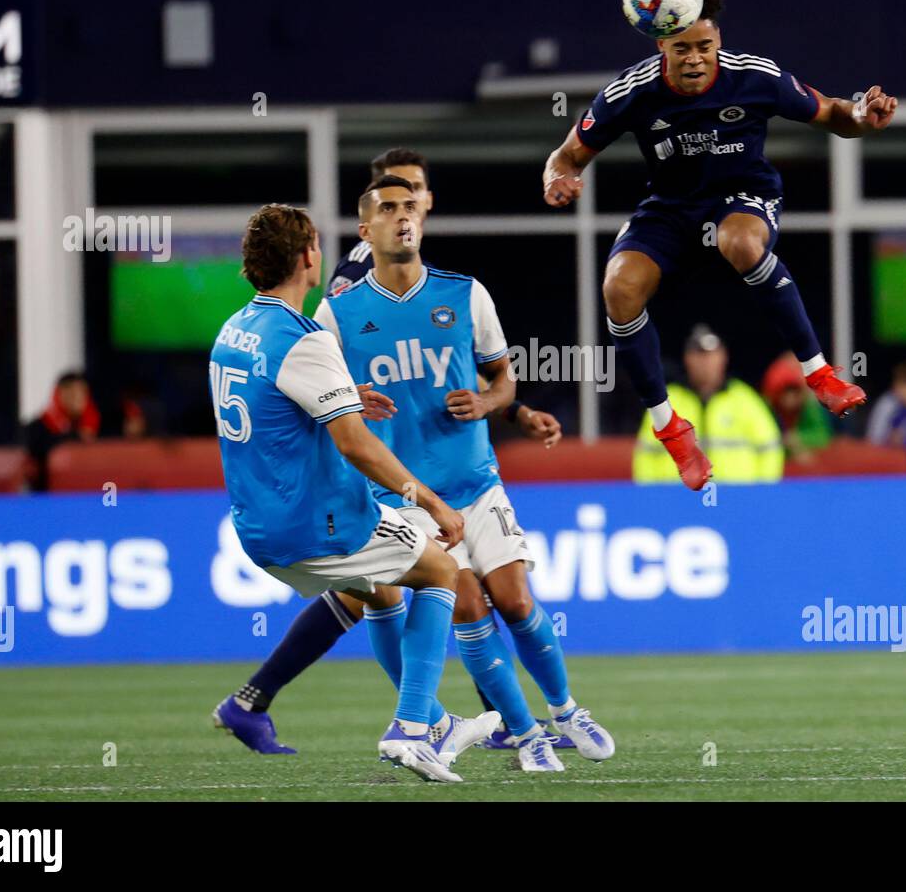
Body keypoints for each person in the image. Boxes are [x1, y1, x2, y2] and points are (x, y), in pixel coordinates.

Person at [543, 0, 897, 490]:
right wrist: (556, 178)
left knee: (742, 244)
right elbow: (567, 155)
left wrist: (863, 114)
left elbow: (834, 115)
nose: (694, 59)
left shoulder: (755, 76)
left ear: (718, 42)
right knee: (618, 288)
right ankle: (671, 430)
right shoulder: (631, 92)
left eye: (704, 47)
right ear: (661, 46)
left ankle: (820, 374)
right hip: (670, 210)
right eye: (682, 48)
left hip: (743, 196)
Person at [314, 175, 614, 771]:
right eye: (388, 210)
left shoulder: (466, 293)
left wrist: (488, 402)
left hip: (475, 483)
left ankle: (566, 709)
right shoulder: (336, 314)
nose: (403, 217)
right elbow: (318, 400)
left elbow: (504, 378)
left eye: (410, 207)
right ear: (365, 229)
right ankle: (526, 735)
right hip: (400, 497)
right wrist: (350, 393)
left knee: (517, 599)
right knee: (467, 603)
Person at [209, 202, 496, 783]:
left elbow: (273, 405)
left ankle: (436, 724)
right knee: (441, 570)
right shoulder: (304, 338)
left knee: (383, 595)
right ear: (309, 256)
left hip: (256, 529)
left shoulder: (235, 329)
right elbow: (357, 446)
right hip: (318, 524)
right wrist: (431, 501)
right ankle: (412, 728)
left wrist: (338, 393)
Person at [332, 147, 563, 447]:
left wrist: (515, 412)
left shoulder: (439, 284)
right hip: (384, 451)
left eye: (413, 190)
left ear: (428, 199)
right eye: (392, 198)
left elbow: (440, 362)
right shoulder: (359, 272)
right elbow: (332, 360)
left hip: (438, 449)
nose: (404, 203)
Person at [634, 324, 782, 483]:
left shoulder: (745, 400)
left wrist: (762, 496)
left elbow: (770, 450)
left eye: (710, 354)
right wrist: (652, 498)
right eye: (698, 354)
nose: (704, 362)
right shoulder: (665, 402)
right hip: (676, 501)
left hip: (737, 501)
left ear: (723, 357)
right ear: (687, 358)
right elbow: (645, 455)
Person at [23, 371, 99, 491]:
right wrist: (77, 437)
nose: (77, 397)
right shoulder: (37, 428)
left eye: (82, 392)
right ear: (58, 394)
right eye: (71, 392)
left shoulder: (95, 425)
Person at [761, 351, 833, 464]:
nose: (790, 398)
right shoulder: (766, 409)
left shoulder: (810, 407)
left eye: (794, 391)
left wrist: (798, 438)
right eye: (785, 391)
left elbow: (823, 437)